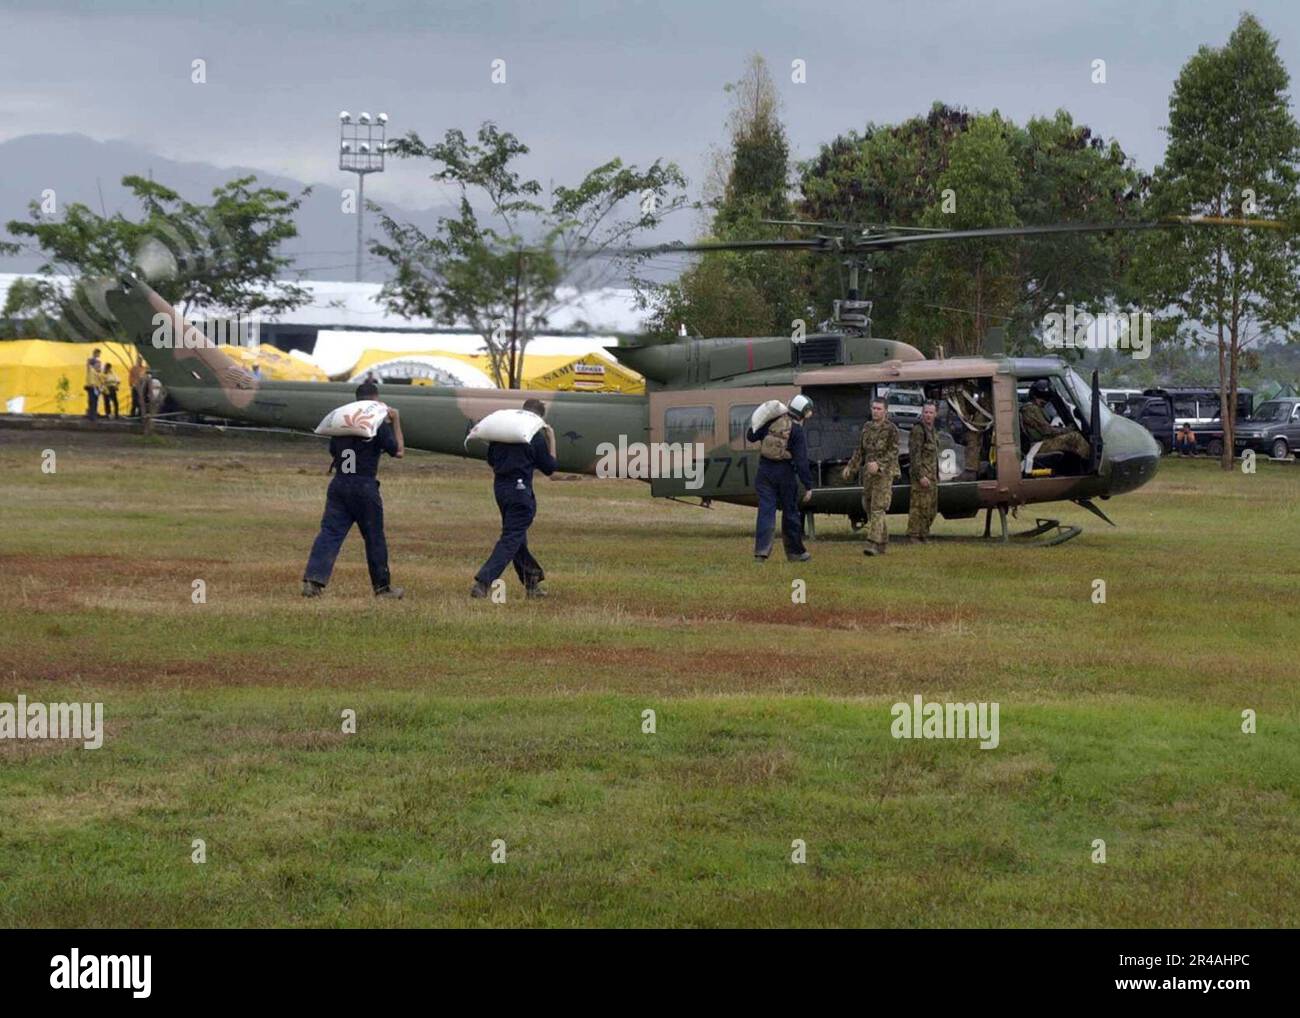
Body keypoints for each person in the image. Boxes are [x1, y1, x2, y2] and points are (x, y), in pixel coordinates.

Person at [302, 382, 405, 599]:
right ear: (375, 400)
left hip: (339, 484)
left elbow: (333, 451)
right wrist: (395, 421)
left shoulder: (342, 422)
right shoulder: (375, 422)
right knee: (374, 537)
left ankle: (313, 581)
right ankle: (382, 589)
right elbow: (398, 451)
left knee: (330, 533)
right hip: (364, 486)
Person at [471, 398, 557, 599]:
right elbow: (550, 468)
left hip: (501, 489)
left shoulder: (502, 434)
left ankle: (531, 583)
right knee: (511, 538)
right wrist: (551, 438)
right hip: (521, 491)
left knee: (517, 537)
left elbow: (491, 460)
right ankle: (483, 582)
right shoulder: (533, 436)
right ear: (539, 417)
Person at [745, 394, 815, 562]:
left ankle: (761, 553)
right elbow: (801, 461)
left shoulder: (771, 421)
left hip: (765, 473)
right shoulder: (797, 431)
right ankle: (795, 553)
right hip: (785, 475)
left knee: (765, 512)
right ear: (804, 413)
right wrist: (808, 485)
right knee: (790, 513)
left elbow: (751, 436)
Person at [843, 397, 900, 556]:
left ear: (885, 411)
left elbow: (894, 452)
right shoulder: (867, 427)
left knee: (878, 507)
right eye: (874, 408)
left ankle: (873, 543)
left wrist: (879, 465)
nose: (876, 411)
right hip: (868, 474)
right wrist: (851, 467)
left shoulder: (891, 429)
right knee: (868, 505)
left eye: (879, 409)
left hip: (884, 474)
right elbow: (860, 450)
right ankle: (882, 541)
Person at [1020, 380, 1091, 460]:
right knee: (1075, 437)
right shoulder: (1031, 409)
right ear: (1035, 397)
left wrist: (1060, 429)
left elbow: (1043, 428)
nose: (1044, 403)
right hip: (1036, 446)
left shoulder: (1031, 408)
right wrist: (1066, 430)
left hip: (1039, 443)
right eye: (1042, 401)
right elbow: (1047, 430)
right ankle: (1091, 462)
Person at [907, 401, 940, 543]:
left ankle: (924, 534)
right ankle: (914, 535)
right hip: (921, 476)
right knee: (918, 507)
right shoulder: (918, 431)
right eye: (926, 412)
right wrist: (920, 476)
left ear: (935, 414)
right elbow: (915, 455)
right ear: (922, 413)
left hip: (932, 475)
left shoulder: (932, 430)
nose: (928, 415)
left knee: (930, 508)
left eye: (931, 412)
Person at [84, 347, 103, 419]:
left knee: (94, 401)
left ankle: (93, 413)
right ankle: (91, 414)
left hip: (96, 386)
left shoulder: (96, 369)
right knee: (92, 401)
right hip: (92, 386)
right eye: (98, 353)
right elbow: (89, 367)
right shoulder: (91, 365)